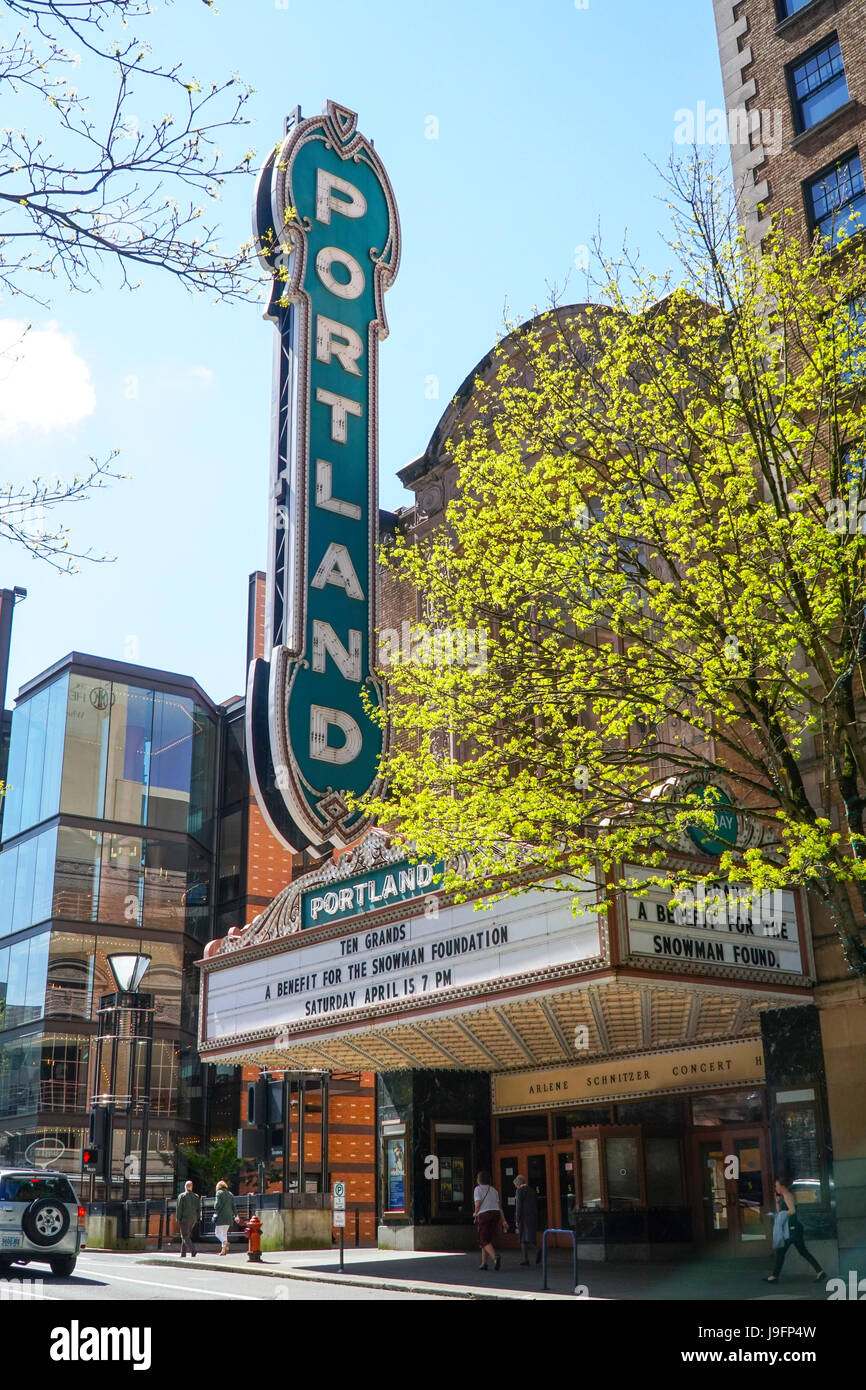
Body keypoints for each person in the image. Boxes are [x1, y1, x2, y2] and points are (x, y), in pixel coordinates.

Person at [765, 1176, 826, 1284]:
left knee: (781, 1251)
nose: (775, 1188)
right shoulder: (784, 1197)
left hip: (792, 1230)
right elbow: (781, 1212)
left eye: (776, 1186)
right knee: (802, 1252)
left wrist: (781, 1216)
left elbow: (792, 1211)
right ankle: (820, 1272)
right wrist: (777, 1202)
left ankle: (774, 1276)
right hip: (793, 1229)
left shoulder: (788, 1196)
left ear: (782, 1186)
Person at [473, 1170, 508, 1271]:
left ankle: (495, 1257)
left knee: (482, 1239)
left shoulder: (477, 1189)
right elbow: (499, 1206)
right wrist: (503, 1221)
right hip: (495, 1214)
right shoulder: (493, 1190)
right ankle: (484, 1263)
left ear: (479, 1180)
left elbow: (478, 1203)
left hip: (484, 1215)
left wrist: (475, 1212)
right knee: (487, 1239)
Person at [514, 1175, 540, 1266]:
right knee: (530, 1236)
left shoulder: (519, 1191)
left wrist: (517, 1219)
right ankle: (537, 1250)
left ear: (518, 1183)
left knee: (522, 1238)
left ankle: (526, 1259)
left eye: (516, 1184)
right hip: (532, 1216)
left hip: (523, 1217)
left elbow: (519, 1206)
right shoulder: (531, 1190)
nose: (516, 1186)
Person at [176, 1179, 201, 1258]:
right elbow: (199, 1209)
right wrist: (197, 1218)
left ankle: (193, 1250)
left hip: (184, 1219)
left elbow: (179, 1208)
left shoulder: (182, 1196)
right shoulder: (196, 1196)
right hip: (193, 1219)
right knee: (186, 1236)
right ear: (191, 1187)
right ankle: (183, 1254)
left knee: (184, 1236)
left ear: (185, 1187)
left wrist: (178, 1218)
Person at [214, 1179, 236, 1257]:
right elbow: (233, 1206)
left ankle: (224, 1242)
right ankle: (223, 1251)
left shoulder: (219, 1193)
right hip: (229, 1216)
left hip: (221, 1216)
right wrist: (236, 1215)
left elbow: (217, 1205)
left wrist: (215, 1208)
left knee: (217, 1233)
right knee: (224, 1233)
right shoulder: (230, 1194)